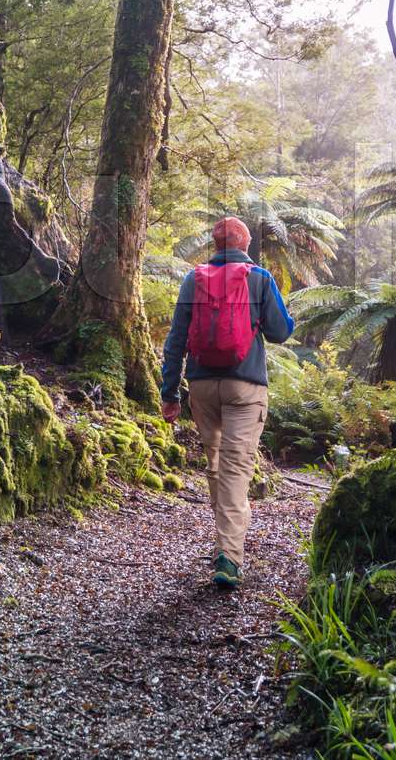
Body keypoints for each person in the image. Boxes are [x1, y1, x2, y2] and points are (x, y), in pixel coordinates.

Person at [160, 216, 294, 589]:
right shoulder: (260, 278)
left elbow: (175, 340)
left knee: (217, 466)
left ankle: (225, 540)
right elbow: (280, 332)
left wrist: (170, 393)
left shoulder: (194, 278)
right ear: (244, 244)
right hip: (245, 388)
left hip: (202, 386)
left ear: (216, 246)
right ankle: (229, 558)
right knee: (235, 470)